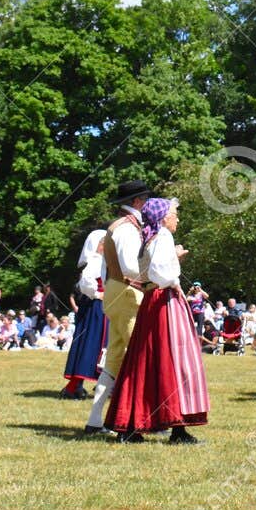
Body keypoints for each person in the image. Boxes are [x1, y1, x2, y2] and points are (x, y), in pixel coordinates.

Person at [104, 198, 210, 444]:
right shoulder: (162, 236)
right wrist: (175, 263)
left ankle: (134, 425)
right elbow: (162, 274)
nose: (177, 218)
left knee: (146, 360)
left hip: (153, 299)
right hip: (164, 301)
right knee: (173, 360)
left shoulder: (149, 236)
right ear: (163, 217)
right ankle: (176, 428)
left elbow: (143, 271)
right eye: (174, 214)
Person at [83, 179, 153, 435]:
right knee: (139, 356)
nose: (147, 205)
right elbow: (130, 268)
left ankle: (94, 420)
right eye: (145, 199)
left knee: (114, 358)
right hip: (127, 292)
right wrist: (156, 271)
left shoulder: (121, 226)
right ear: (136, 202)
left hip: (118, 291)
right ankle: (134, 421)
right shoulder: (126, 229)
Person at [61, 218, 110, 399]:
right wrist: (98, 294)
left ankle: (82, 385)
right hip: (95, 308)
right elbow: (87, 285)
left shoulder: (102, 262)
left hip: (100, 307)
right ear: (97, 246)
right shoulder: (94, 261)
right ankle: (74, 385)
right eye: (104, 244)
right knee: (91, 343)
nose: (106, 247)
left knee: (100, 344)